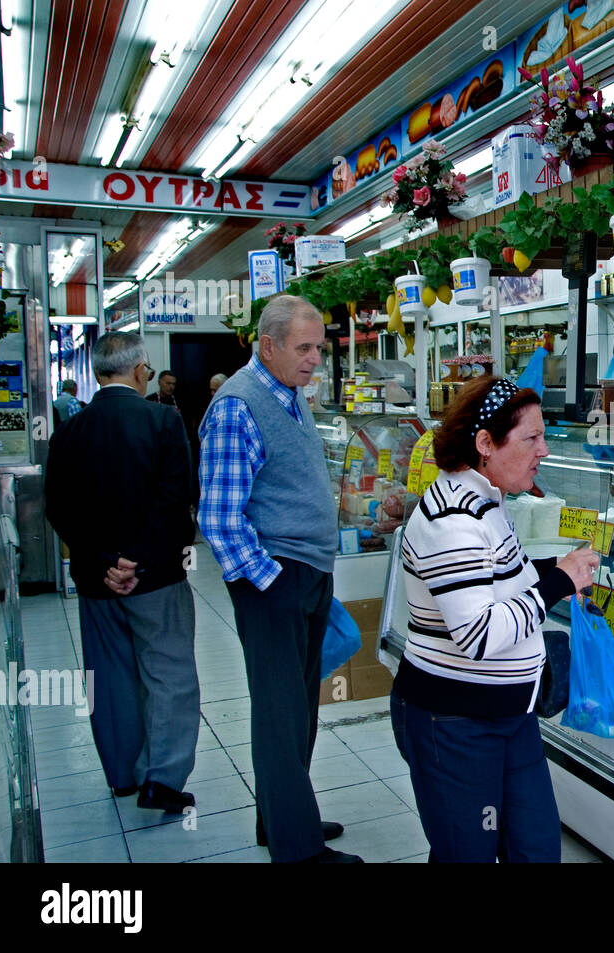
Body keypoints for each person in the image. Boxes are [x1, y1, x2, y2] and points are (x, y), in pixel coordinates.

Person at [391, 375, 599, 863]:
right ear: (484, 444)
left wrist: (556, 568)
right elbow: (479, 635)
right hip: (456, 722)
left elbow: (501, 577)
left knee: (536, 847)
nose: (544, 450)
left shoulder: (488, 499)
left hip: (509, 714)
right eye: (531, 438)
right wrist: (559, 582)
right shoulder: (453, 519)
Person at [198, 295, 359, 864]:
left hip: (307, 573)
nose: (316, 359)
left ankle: (285, 818)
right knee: (279, 712)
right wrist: (270, 580)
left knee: (299, 709)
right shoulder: (237, 405)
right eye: (305, 348)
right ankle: (298, 850)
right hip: (275, 579)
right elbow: (218, 516)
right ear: (268, 346)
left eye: (320, 347)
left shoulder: (288, 396)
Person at [44, 333, 199, 811]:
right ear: (138, 371)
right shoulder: (161, 421)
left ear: (96, 373)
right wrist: (138, 560)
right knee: (169, 671)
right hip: (156, 578)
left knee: (109, 675)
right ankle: (162, 781)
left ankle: (121, 776)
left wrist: (103, 561)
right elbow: (177, 498)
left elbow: (58, 508)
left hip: (95, 582)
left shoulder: (69, 431)